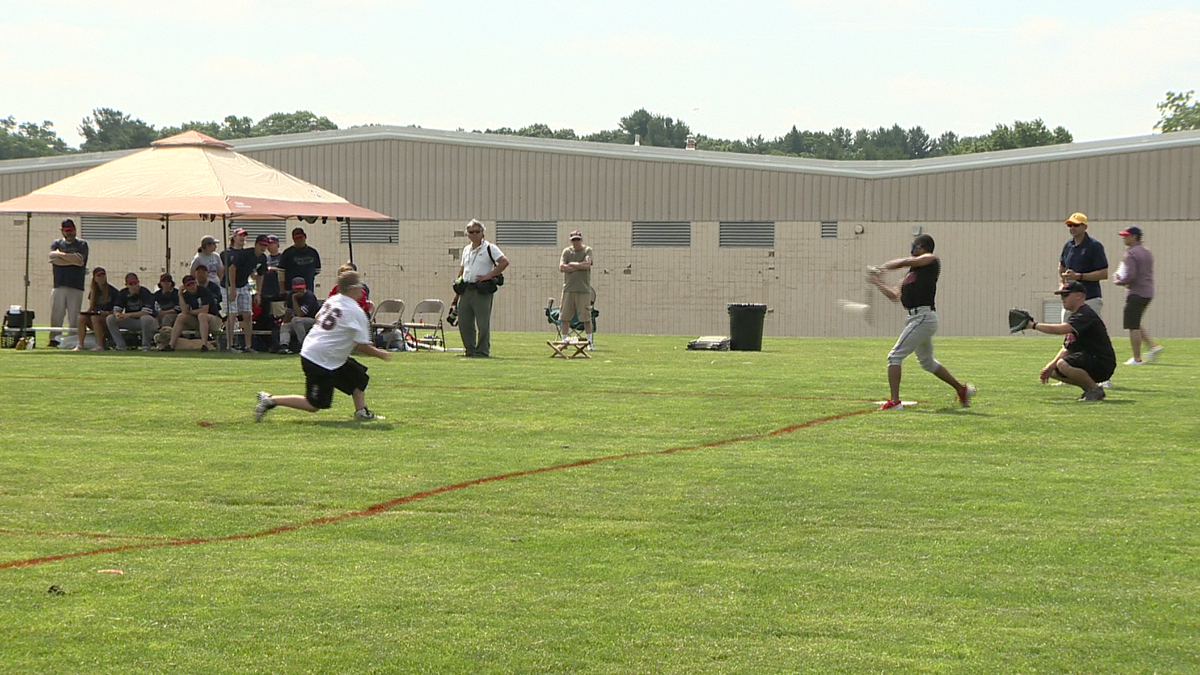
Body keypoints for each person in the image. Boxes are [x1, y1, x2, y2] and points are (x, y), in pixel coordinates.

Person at [254, 270, 389, 422]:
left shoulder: (334, 299)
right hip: (319, 359)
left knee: (359, 377)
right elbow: (362, 346)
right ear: (351, 289)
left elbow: (318, 317)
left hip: (324, 353)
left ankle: (361, 412)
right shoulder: (356, 311)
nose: (362, 290)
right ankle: (270, 400)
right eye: (359, 286)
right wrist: (381, 354)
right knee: (315, 404)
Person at [867, 233, 974, 411]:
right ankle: (962, 389)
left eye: (916, 246)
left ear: (923, 247)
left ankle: (894, 402)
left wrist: (881, 268)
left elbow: (904, 262)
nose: (913, 249)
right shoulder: (911, 274)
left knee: (894, 356)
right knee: (927, 362)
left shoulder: (931, 260)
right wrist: (876, 281)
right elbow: (894, 295)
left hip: (923, 317)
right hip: (915, 318)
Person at [1028, 281, 1116, 401]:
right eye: (1061, 295)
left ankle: (1095, 390)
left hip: (1101, 362)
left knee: (1063, 364)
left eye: (1066, 295)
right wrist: (1049, 367)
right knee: (1054, 370)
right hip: (1090, 360)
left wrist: (1033, 325)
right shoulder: (1076, 315)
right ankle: (1089, 390)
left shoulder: (1085, 314)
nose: (1062, 298)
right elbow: (1067, 348)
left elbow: (1062, 329)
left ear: (1078, 296)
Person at [456, 219, 509, 357]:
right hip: (466, 289)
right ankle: (470, 350)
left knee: (483, 323)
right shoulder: (466, 249)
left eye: (476, 232)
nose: (474, 235)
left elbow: (504, 262)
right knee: (464, 322)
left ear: (482, 233)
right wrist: (457, 289)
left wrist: (489, 275)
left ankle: (482, 350)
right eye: (470, 232)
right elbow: (463, 269)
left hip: (481, 290)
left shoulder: (489, 248)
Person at [1112, 225, 1161, 365]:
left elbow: (1130, 276)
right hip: (1148, 291)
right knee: (1136, 321)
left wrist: (1118, 280)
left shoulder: (1131, 254)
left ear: (1134, 237)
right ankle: (1153, 347)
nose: (1124, 238)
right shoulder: (1146, 252)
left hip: (1136, 292)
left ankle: (1137, 358)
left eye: (1126, 236)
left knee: (1132, 325)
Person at [48, 218, 89, 347]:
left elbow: (79, 261)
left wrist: (62, 255)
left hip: (76, 286)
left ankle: (72, 340)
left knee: (73, 315)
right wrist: (70, 258)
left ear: (75, 230)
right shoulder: (57, 243)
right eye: (67, 231)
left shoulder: (82, 244)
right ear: (62, 231)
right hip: (59, 284)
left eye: (71, 230)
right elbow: (53, 258)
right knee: (57, 313)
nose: (70, 233)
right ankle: (54, 339)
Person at [225, 233, 268, 352]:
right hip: (229, 284)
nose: (263, 248)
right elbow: (231, 269)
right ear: (255, 244)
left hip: (243, 284)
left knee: (248, 314)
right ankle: (229, 345)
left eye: (265, 245)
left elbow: (260, 275)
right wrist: (232, 288)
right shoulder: (245, 254)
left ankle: (248, 346)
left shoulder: (262, 258)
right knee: (232, 314)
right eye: (261, 245)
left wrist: (258, 293)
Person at [164, 273, 220, 352]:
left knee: (202, 315)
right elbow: (184, 311)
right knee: (181, 316)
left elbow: (204, 310)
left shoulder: (204, 291)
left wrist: (190, 312)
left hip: (213, 319)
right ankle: (171, 345)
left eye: (193, 284)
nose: (192, 286)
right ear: (185, 287)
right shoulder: (186, 295)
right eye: (189, 285)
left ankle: (204, 345)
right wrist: (180, 295)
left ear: (196, 283)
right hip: (198, 321)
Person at [559, 229, 594, 349]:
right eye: (573, 240)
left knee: (586, 317)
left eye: (578, 239)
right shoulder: (567, 252)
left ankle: (589, 343)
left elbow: (587, 265)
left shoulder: (587, 250)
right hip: (568, 289)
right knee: (565, 317)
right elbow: (562, 267)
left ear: (581, 240)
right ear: (570, 241)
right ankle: (564, 341)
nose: (576, 242)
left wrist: (572, 265)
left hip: (583, 289)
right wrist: (579, 266)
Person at [106, 272, 159, 351]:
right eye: (131, 284)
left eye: (135, 283)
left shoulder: (145, 292)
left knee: (145, 318)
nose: (134, 286)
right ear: (127, 285)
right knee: (110, 319)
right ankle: (120, 346)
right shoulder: (123, 293)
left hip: (149, 322)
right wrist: (118, 314)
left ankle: (146, 346)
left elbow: (146, 312)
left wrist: (128, 315)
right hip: (132, 321)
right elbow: (117, 308)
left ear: (138, 283)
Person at [73, 267, 117, 351]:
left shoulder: (113, 292)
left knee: (95, 318)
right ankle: (80, 345)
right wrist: (87, 313)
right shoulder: (94, 291)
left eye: (103, 275)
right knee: (81, 318)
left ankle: (100, 345)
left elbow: (117, 310)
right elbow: (92, 307)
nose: (101, 278)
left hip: (108, 318)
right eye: (99, 276)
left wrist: (106, 313)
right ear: (95, 278)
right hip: (96, 315)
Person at [277, 276, 320, 354]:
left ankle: (303, 344)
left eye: (300, 288)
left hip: (313, 321)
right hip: (299, 323)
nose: (299, 291)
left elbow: (300, 314)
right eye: (296, 289)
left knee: (296, 319)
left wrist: (294, 298)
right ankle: (284, 346)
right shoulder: (291, 294)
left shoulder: (309, 296)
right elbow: (289, 312)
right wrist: (284, 322)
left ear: (304, 287)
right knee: (285, 326)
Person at [280, 226, 322, 295]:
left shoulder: (313, 252)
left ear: (305, 237)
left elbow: (317, 270)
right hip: (291, 290)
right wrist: (282, 290)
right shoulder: (288, 253)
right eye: (296, 238)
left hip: (308, 289)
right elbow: (281, 272)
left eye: (301, 237)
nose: (299, 240)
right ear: (293, 240)